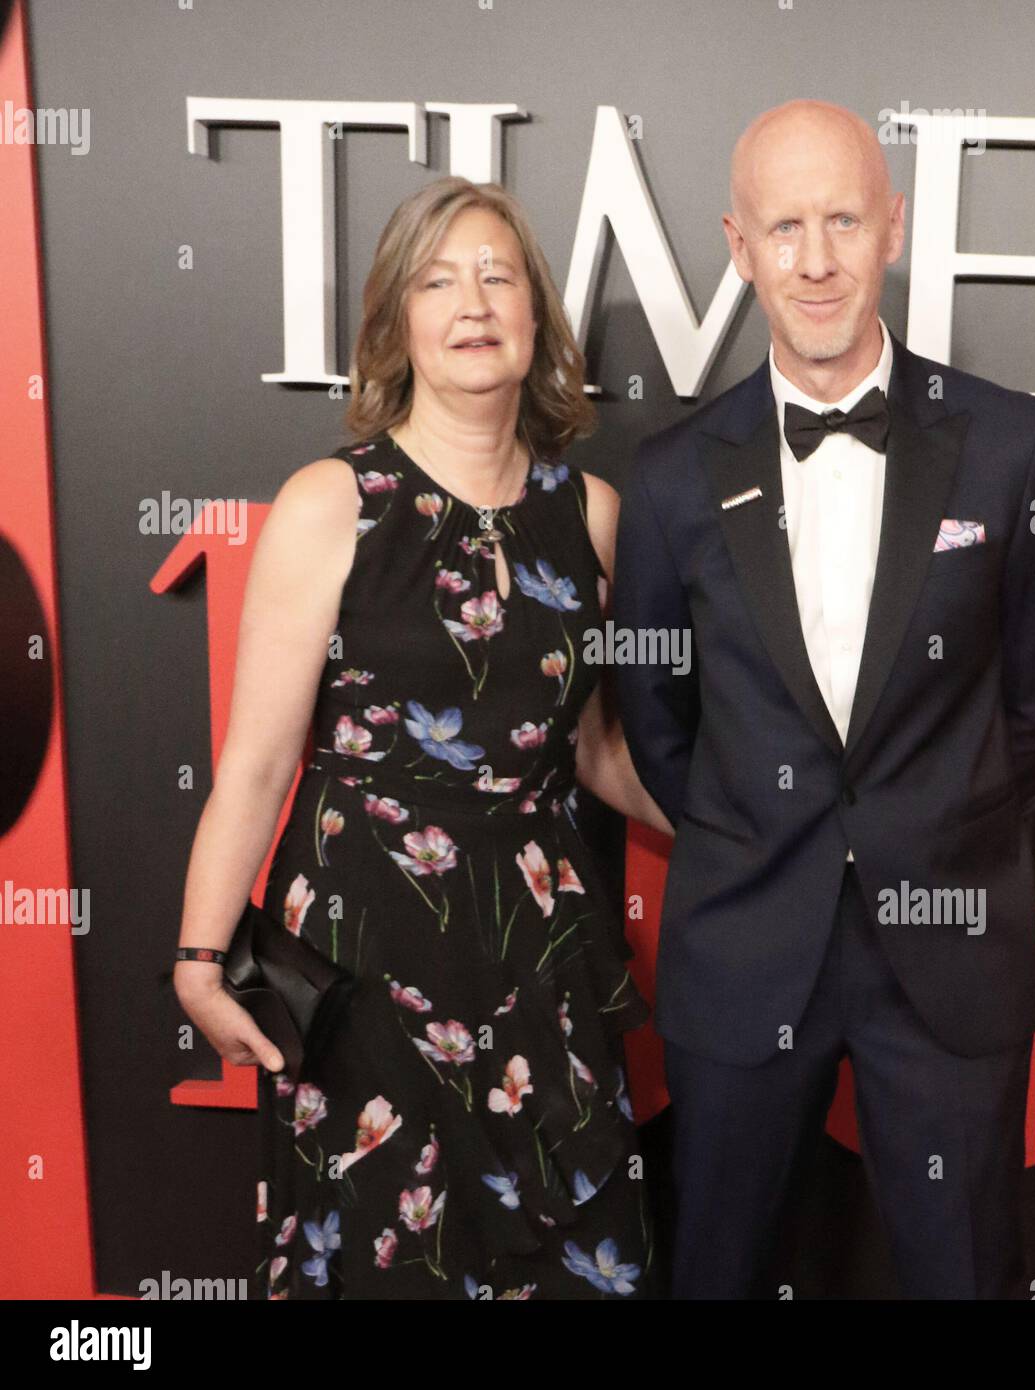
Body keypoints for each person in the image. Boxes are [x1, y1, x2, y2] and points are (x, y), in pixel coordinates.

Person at [613, 100, 1035, 1299]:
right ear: (737, 246)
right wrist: (761, 830)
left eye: (840, 219)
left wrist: (930, 824)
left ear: (891, 229)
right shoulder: (672, 478)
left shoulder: (1011, 447)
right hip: (743, 944)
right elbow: (659, 726)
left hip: (947, 950)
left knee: (965, 1276)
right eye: (783, 226)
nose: (813, 258)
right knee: (715, 1273)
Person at [173, 174, 671, 1300]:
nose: (473, 300)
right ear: (398, 320)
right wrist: (201, 955)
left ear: (536, 314)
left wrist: (761, 827)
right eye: (439, 279)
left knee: (572, 1253)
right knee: (379, 1254)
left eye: (498, 275)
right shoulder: (330, 502)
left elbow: (593, 749)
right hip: (362, 947)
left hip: (539, 948)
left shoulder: (587, 511)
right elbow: (255, 761)